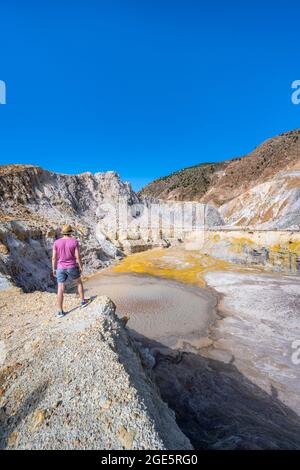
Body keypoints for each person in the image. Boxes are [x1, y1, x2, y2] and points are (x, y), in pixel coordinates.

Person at [52, 224, 90, 318]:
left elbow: (54, 258)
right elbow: (78, 256)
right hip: (72, 266)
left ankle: (60, 311)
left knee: (60, 288)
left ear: (63, 233)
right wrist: (81, 266)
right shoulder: (74, 241)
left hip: (60, 267)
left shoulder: (56, 242)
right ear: (70, 232)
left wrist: (53, 268)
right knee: (79, 283)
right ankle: (82, 301)